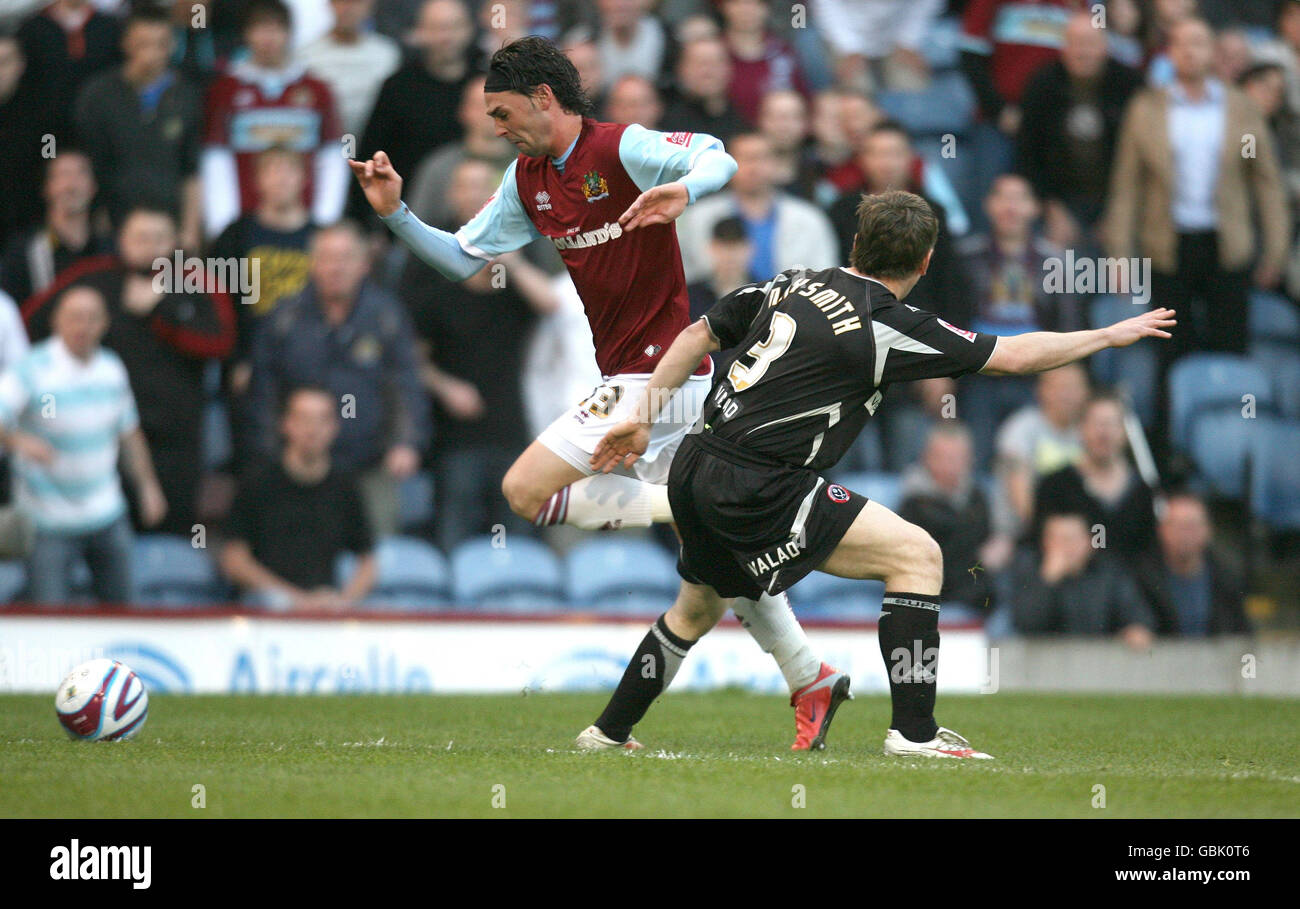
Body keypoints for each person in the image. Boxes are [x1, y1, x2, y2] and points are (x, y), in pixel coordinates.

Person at [351, 35, 844, 751]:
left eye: (503, 111)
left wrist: (686, 188)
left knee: (524, 491)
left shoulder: (623, 148)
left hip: (667, 374)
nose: (495, 127)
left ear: (544, 99)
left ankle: (688, 513)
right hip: (631, 375)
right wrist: (395, 213)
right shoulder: (527, 181)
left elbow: (720, 156)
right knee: (717, 565)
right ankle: (810, 676)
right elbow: (460, 259)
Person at [580, 190, 1174, 756]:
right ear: (925, 259)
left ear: (857, 241)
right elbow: (1013, 356)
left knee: (696, 609)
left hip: (693, 463)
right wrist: (1108, 334)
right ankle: (914, 734)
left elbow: (694, 336)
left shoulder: (795, 279)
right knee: (918, 558)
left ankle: (608, 731)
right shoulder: (888, 324)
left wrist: (640, 419)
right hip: (758, 484)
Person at [22, 207, 236, 535]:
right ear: (121, 241)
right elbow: (29, 322)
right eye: (140, 237)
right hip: (98, 435)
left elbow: (221, 343)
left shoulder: (196, 281)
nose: (149, 246)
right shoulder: (93, 276)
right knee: (98, 532)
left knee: (173, 534)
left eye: (159, 238)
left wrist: (164, 311)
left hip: (174, 438)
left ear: (176, 243)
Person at [400, 158, 558, 551]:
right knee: (453, 531)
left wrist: (512, 261)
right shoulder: (428, 257)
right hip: (454, 431)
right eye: (464, 187)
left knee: (518, 534)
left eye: (481, 187)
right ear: (451, 195)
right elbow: (408, 354)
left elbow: (552, 304)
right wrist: (445, 386)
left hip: (512, 423)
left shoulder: (519, 247)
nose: (473, 196)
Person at [246, 221, 429, 536]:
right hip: (300, 468)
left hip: (369, 463)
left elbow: (406, 382)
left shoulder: (387, 315)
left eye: (345, 258)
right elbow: (264, 392)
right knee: (302, 555)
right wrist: (272, 456)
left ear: (364, 264)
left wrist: (406, 441)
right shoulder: (284, 318)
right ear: (313, 264)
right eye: (327, 258)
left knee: (378, 557)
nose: (336, 267)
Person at [0, 287, 167, 604]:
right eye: (74, 317)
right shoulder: (32, 370)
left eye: (92, 318)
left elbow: (128, 433)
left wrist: (148, 487)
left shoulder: (112, 369)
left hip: (106, 512)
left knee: (125, 613)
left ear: (104, 324)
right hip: (47, 520)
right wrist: (16, 440)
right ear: (57, 321)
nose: (83, 326)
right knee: (51, 621)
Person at [221, 384, 376, 610]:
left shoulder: (345, 487)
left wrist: (344, 601)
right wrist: (294, 599)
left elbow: (368, 562)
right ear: (286, 424)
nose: (312, 429)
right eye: (303, 419)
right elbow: (233, 559)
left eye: (321, 420)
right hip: (264, 607)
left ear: (334, 426)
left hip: (326, 606)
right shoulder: (257, 484)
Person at [201, 0, 346, 239]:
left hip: (305, 226)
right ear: (246, 34)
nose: (268, 38)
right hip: (244, 227)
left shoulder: (318, 90)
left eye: (276, 29)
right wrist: (221, 225)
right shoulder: (224, 91)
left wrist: (325, 221)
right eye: (260, 28)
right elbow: (216, 161)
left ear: (289, 33)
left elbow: (332, 157)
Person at [73, 5, 203, 246]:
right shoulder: (97, 95)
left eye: (161, 44)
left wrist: (190, 230)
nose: (151, 53)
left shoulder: (187, 95)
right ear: (126, 43)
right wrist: (95, 217)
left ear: (173, 45)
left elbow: (191, 170)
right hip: (113, 224)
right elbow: (87, 163)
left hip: (169, 225)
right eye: (142, 44)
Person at [675, 131, 838, 285]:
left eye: (761, 158)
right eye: (745, 158)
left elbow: (825, 279)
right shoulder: (698, 216)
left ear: (777, 164)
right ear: (726, 164)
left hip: (791, 310)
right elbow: (685, 275)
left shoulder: (809, 218)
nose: (753, 167)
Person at [1030, 391, 1157, 562]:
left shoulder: (1142, 491)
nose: (1104, 434)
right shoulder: (1055, 485)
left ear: (1125, 433)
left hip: (1128, 584)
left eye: (1112, 424)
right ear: (1080, 428)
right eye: (1096, 423)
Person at [897, 422, 1007, 615]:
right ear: (926, 458)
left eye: (957, 458)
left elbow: (990, 543)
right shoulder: (914, 503)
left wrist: (1001, 545)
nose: (950, 465)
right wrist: (980, 560)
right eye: (943, 457)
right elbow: (933, 561)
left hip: (979, 593)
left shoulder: (977, 497)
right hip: (934, 597)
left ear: (970, 460)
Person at [1011, 512, 1155, 649]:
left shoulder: (1110, 574)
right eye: (1056, 539)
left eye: (1071, 539)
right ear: (1044, 542)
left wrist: (1136, 629)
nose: (1065, 547)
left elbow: (1138, 615)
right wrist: (1047, 581)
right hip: (1047, 666)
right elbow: (1023, 624)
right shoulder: (1030, 570)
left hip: (1100, 664)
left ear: (1088, 542)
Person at [0, 149, 113, 308]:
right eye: (63, 175)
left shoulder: (111, 250)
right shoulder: (22, 251)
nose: (71, 185)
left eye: (81, 174)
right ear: (47, 188)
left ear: (93, 187)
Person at [1134, 492, 1250, 637]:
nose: (1185, 535)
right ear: (1162, 530)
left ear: (1208, 530)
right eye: (1178, 527)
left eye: (1192, 526)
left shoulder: (1227, 578)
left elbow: (1242, 632)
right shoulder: (1142, 579)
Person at [297, 0, 402, 139]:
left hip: (376, 145)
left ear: (370, 6)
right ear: (330, 5)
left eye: (355, 2)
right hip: (326, 143)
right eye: (341, 2)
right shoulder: (306, 56)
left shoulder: (387, 54)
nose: (347, 9)